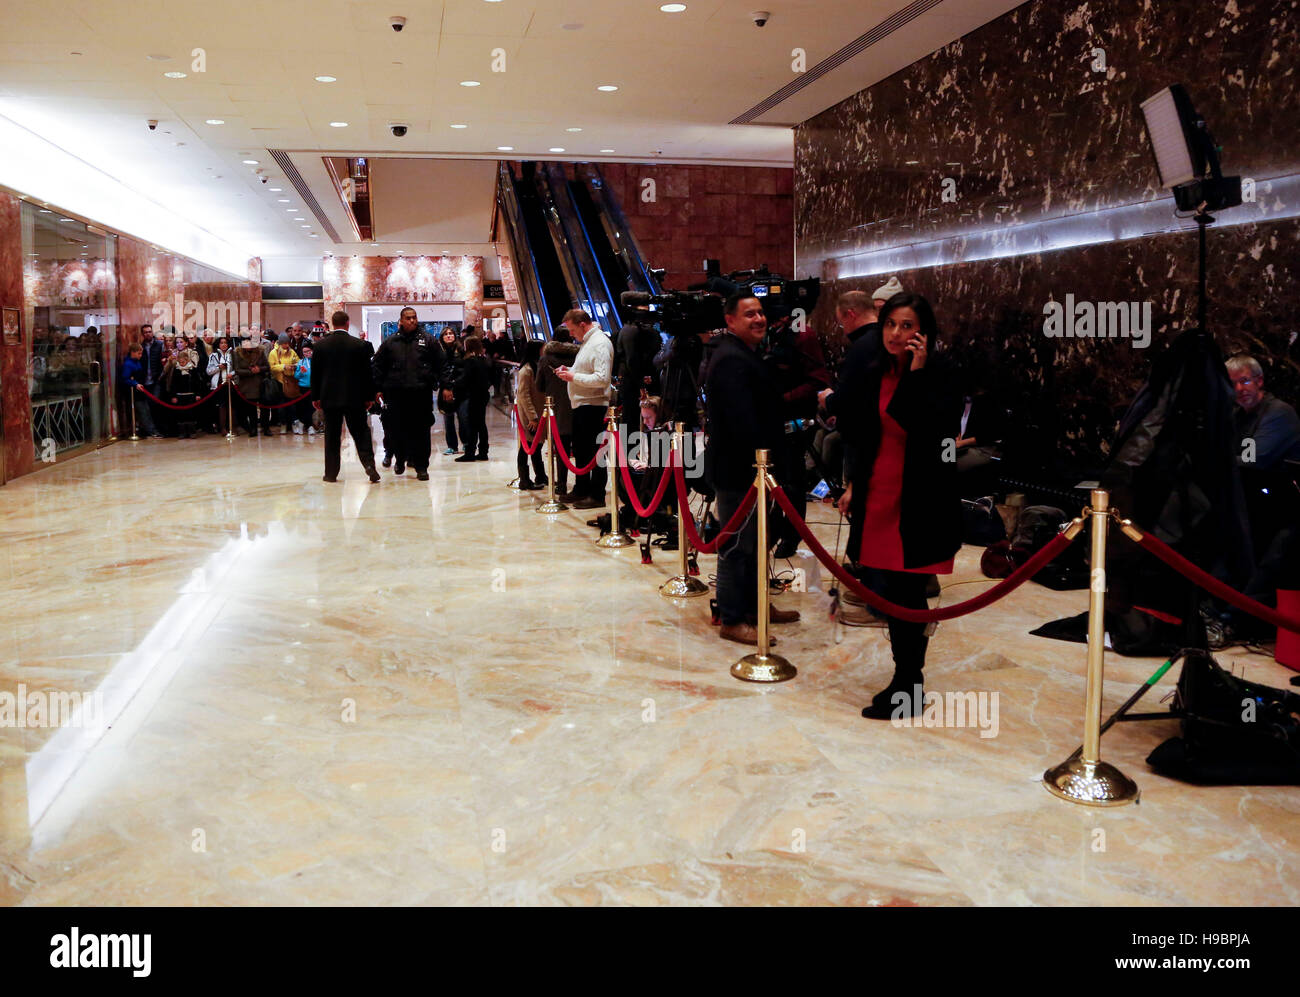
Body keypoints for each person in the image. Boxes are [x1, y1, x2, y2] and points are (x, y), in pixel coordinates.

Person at [841, 293, 961, 720]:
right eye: (890, 324)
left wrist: (918, 372)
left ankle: (910, 683)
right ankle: (903, 678)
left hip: (919, 496)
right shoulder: (875, 369)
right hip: (881, 489)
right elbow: (863, 432)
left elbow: (926, 427)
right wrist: (855, 484)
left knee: (909, 591)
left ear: (924, 333)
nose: (895, 334)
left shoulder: (941, 373)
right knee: (888, 591)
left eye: (907, 326)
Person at [704, 293, 799, 646]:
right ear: (731, 321)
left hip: (756, 468)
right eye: (749, 315)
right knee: (738, 545)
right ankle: (732, 617)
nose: (758, 319)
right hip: (739, 469)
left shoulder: (743, 353)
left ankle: (756, 606)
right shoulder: (730, 359)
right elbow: (743, 422)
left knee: (758, 542)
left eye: (760, 313)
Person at [371, 306, 448, 480]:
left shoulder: (428, 340)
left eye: (414, 317)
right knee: (397, 430)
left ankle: (422, 467)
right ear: (401, 320)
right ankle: (399, 459)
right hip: (396, 395)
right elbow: (377, 366)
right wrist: (377, 388)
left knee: (421, 431)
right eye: (408, 318)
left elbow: (442, 364)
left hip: (420, 393)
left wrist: (445, 385)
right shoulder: (391, 342)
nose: (412, 320)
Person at [311, 311, 380, 483]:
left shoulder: (320, 346)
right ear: (348, 323)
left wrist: (316, 396)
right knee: (361, 432)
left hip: (329, 397)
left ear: (333, 324)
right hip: (354, 397)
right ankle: (369, 466)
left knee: (332, 435)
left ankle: (330, 473)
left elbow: (316, 374)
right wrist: (369, 397)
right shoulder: (360, 345)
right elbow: (367, 374)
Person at [555, 309, 613, 510]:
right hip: (582, 404)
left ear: (582, 324)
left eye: (572, 330)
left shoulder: (599, 343)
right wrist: (568, 370)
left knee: (593, 452)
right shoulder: (588, 343)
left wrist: (573, 377)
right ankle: (582, 488)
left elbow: (602, 378)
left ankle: (597, 495)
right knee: (581, 450)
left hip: (593, 405)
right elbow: (585, 370)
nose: (570, 335)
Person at [538, 328, 580, 497]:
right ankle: (581, 485)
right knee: (580, 450)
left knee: (560, 449)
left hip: (556, 409)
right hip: (578, 406)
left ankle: (561, 485)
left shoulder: (546, 358)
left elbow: (539, 385)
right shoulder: (578, 356)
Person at [514, 339, 548, 489]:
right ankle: (524, 479)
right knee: (527, 447)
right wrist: (532, 417)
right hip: (530, 416)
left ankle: (540, 476)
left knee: (536, 446)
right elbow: (523, 394)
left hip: (538, 414)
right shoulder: (526, 370)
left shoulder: (536, 367)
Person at [453, 336, 492, 463]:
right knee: (481, 424)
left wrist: (452, 384)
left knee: (473, 424)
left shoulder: (470, 361)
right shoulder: (484, 360)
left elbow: (466, 379)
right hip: (483, 394)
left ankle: (470, 452)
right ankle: (483, 451)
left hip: (474, 395)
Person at [233, 327, 272, 438]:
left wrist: (259, 369)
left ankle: (266, 427)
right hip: (246, 385)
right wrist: (251, 371)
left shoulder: (259, 351)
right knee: (251, 409)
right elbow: (237, 370)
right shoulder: (237, 353)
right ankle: (253, 428)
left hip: (261, 384)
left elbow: (267, 366)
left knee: (265, 407)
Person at [122, 344, 162, 438]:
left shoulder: (137, 362)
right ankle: (151, 431)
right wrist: (135, 384)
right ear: (133, 352)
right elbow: (125, 378)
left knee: (146, 411)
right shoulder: (128, 364)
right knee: (143, 411)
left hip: (141, 390)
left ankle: (149, 429)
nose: (140, 355)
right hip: (135, 392)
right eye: (139, 353)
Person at [163, 345, 202, 438]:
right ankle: (182, 432)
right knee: (181, 414)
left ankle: (192, 431)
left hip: (191, 395)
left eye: (183, 362)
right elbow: (173, 384)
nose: (182, 364)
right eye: (180, 362)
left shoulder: (193, 370)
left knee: (191, 413)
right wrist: (173, 396)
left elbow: (198, 383)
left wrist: (198, 394)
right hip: (180, 396)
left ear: (187, 360)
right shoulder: (176, 370)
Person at [437, 327, 464, 455]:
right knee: (448, 418)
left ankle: (466, 443)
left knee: (463, 417)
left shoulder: (461, 350)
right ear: (442, 337)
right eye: (446, 334)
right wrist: (446, 387)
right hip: (445, 389)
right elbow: (439, 371)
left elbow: (465, 368)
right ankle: (452, 446)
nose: (449, 336)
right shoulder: (439, 351)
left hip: (460, 387)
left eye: (451, 334)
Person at [268, 332, 300, 433]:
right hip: (279, 382)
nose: (286, 345)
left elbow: (298, 361)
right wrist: (283, 366)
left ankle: (292, 424)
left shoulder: (292, 352)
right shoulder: (274, 353)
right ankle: (283, 424)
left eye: (287, 343)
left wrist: (295, 365)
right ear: (280, 343)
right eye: (284, 344)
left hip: (290, 382)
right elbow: (272, 367)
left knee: (292, 405)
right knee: (281, 405)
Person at [207, 336, 234, 435]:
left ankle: (232, 426)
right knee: (221, 406)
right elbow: (209, 371)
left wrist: (232, 374)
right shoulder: (213, 356)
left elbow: (236, 368)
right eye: (221, 343)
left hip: (231, 383)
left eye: (225, 343)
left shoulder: (232, 355)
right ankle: (222, 427)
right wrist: (219, 367)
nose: (224, 345)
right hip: (219, 384)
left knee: (232, 405)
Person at [294, 344, 316, 435]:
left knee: (312, 407)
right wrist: (300, 372)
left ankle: (301, 422)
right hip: (303, 387)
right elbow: (296, 376)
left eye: (308, 351)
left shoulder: (317, 361)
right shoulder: (301, 362)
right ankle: (309, 426)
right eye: (304, 352)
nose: (306, 353)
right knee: (304, 407)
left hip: (314, 387)